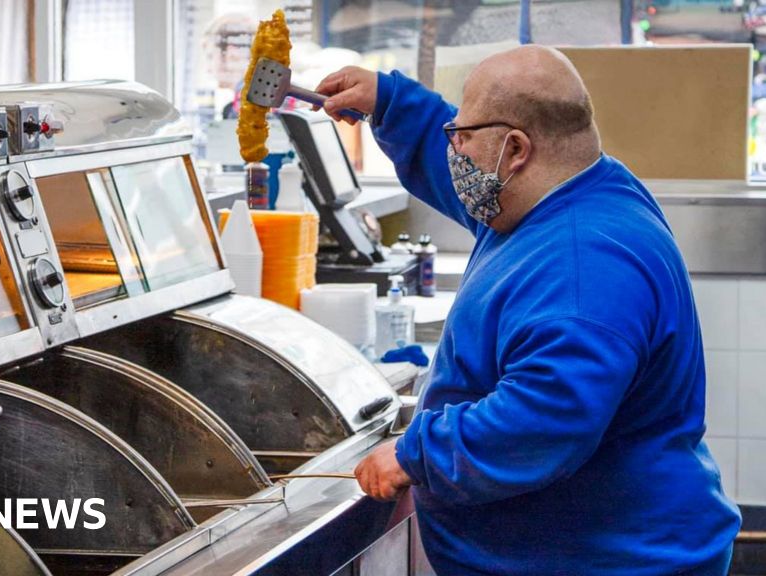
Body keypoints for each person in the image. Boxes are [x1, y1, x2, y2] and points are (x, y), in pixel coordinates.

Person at [315, 45, 741, 575]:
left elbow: (544, 417)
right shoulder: (565, 193)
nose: (454, 149)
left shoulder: (581, 265)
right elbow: (467, 174)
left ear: (515, 150)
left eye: (461, 136)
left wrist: (414, 452)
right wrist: (390, 101)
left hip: (614, 562)